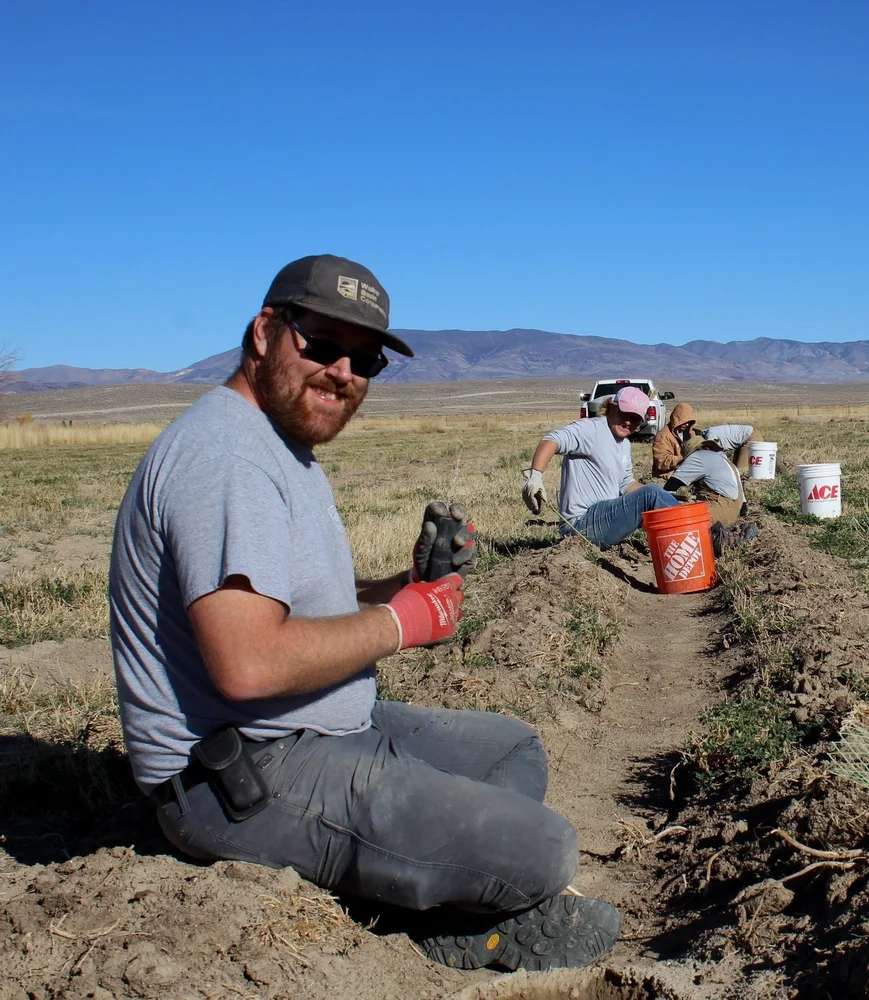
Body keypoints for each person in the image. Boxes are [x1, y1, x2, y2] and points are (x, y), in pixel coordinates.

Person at [109, 255, 618, 974]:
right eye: (319, 343)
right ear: (265, 333)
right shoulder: (227, 458)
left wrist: (400, 585)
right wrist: (404, 621)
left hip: (318, 725)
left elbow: (293, 609)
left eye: (366, 359)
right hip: (242, 774)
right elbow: (248, 662)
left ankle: (412, 872)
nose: (343, 371)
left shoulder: (280, 447)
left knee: (513, 753)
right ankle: (441, 918)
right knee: (544, 850)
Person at [522, 387, 678, 546]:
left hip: (604, 519)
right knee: (653, 494)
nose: (628, 422)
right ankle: (694, 539)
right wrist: (535, 476)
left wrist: (663, 500)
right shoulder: (592, 429)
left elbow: (626, 484)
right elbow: (553, 440)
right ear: (611, 408)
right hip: (580, 525)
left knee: (655, 495)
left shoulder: (624, 444)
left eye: (635, 419)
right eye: (624, 414)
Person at [663, 437, 757, 557]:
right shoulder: (723, 459)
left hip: (721, 505)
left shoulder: (698, 457)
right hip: (734, 508)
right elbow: (744, 507)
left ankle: (725, 540)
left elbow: (672, 485)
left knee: (681, 522)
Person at [650, 401, 697, 478]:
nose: (687, 424)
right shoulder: (663, 436)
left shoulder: (691, 434)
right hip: (666, 476)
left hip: (684, 473)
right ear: (677, 420)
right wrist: (684, 458)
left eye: (689, 422)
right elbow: (661, 460)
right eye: (684, 421)